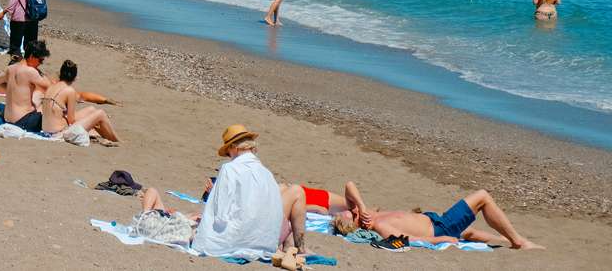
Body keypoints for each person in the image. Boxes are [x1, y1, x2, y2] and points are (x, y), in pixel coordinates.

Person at [331, 185, 541, 249]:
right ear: (356, 223)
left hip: (435, 220)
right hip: (441, 228)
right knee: (483, 196)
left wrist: (362, 205)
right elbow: (407, 241)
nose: (353, 209)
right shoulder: (381, 227)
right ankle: (517, 241)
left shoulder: (370, 214)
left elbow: (350, 186)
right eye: (351, 213)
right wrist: (440, 239)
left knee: (471, 233)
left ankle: (504, 241)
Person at [189, 125, 283, 256]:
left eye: (228, 152)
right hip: (266, 243)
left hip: (236, 241)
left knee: (196, 232)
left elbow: (221, 213)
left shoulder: (230, 169)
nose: (229, 156)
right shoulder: (267, 174)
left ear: (234, 147)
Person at [39, 59, 120, 145]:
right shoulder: (69, 91)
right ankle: (117, 140)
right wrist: (91, 124)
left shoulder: (51, 87)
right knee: (100, 113)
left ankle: (107, 136)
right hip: (57, 134)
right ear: (74, 77)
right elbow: (71, 120)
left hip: (46, 131)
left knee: (91, 110)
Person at [0, 40, 51, 132]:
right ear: (32, 56)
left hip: (8, 120)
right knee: (49, 105)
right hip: (24, 121)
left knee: (39, 97)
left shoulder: (10, 69)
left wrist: (9, 90)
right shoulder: (31, 71)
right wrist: (41, 73)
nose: (41, 63)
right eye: (40, 60)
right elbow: (52, 89)